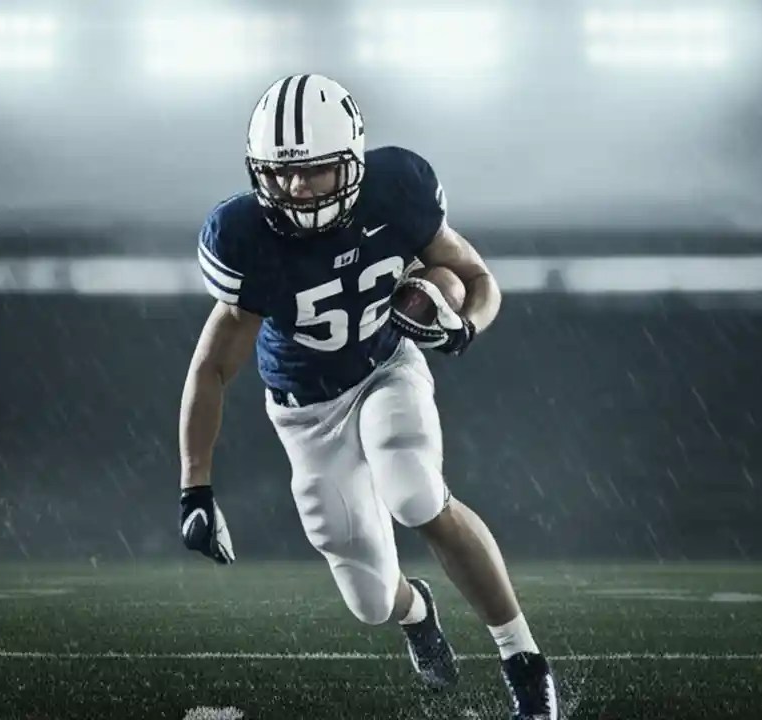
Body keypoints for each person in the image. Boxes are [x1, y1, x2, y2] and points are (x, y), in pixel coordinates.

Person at [177, 73, 559, 720]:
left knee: (413, 488)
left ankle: (522, 659)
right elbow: (211, 367)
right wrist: (196, 489)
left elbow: (473, 276)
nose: (296, 187)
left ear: (351, 161)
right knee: (370, 601)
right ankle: (416, 610)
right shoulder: (245, 236)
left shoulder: (396, 190)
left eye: (316, 172)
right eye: (281, 173)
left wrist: (466, 323)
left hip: (385, 368)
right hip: (306, 410)